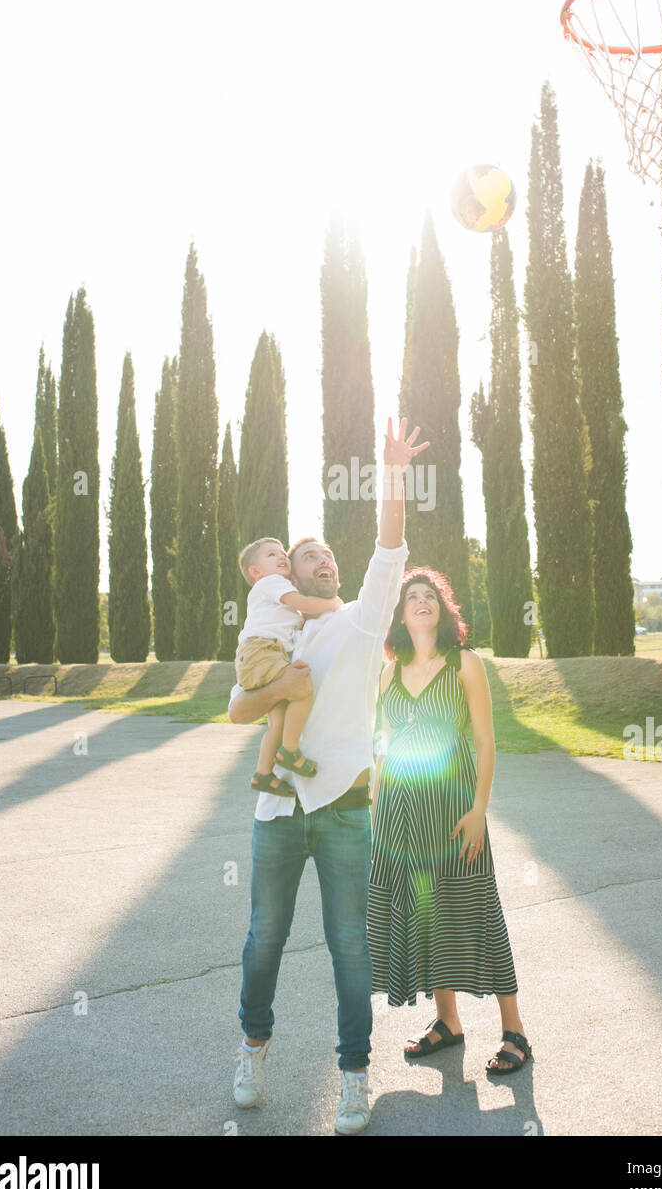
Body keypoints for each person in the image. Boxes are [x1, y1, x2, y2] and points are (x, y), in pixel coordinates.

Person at [228, 418, 429, 1136]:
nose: (317, 558)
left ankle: (352, 1077)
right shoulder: (276, 627)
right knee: (263, 939)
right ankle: (252, 1051)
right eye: (303, 553)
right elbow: (235, 708)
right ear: (285, 572)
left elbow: (390, 544)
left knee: (351, 945)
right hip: (277, 812)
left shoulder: (360, 620)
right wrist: (281, 690)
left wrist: (393, 471)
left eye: (323, 553)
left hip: (345, 807)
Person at [368, 567, 532, 1075]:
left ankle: (515, 1031)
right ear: (399, 613)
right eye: (411, 596)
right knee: (424, 911)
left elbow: (485, 741)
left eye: (430, 595)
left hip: (454, 809)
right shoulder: (387, 671)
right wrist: (375, 804)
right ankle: (448, 1023)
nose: (421, 601)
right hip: (400, 810)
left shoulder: (464, 664)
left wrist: (479, 809)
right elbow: (384, 742)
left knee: (477, 909)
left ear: (442, 610)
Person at [235, 536, 343, 794]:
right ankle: (290, 751)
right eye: (272, 554)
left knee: (278, 720)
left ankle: (263, 773)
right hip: (263, 651)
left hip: (262, 654)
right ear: (255, 572)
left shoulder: (276, 598)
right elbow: (304, 604)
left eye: (282, 552)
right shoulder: (271, 583)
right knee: (301, 688)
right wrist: (334, 604)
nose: (281, 556)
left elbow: (302, 613)